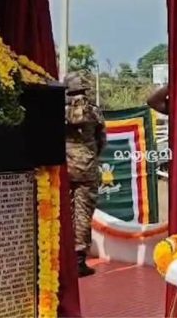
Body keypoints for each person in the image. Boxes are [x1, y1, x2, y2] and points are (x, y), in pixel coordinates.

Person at [64, 71, 106, 277]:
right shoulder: (93, 111)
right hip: (86, 168)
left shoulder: (57, 110)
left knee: (61, 211)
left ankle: (59, 257)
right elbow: (102, 139)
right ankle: (78, 260)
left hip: (62, 168)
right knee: (83, 214)